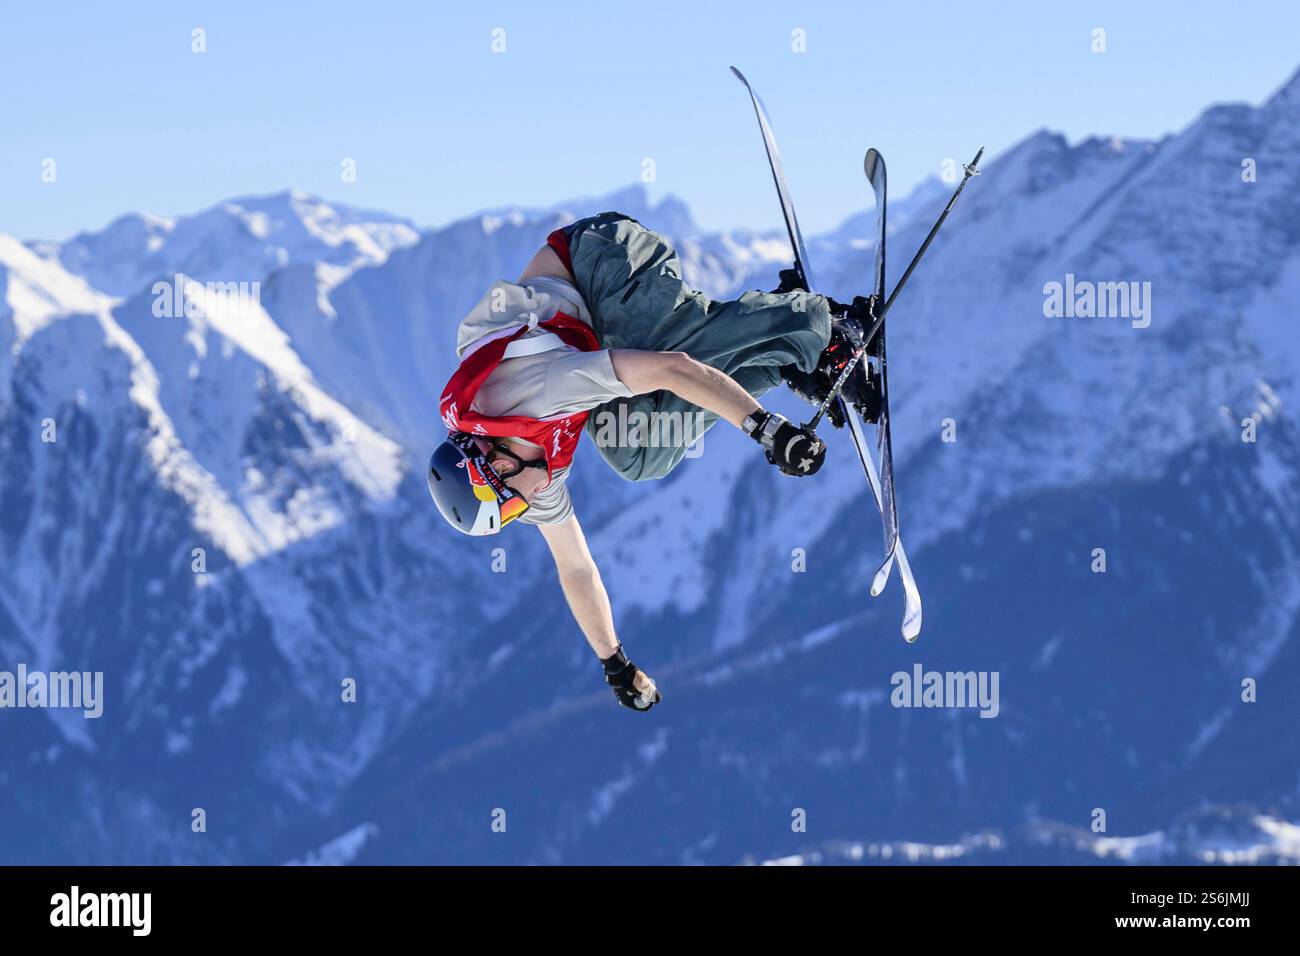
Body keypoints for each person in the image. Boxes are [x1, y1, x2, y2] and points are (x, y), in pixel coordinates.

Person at [428, 212, 878, 712]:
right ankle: (781, 355)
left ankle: (823, 330)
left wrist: (764, 429)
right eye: (513, 514)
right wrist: (614, 663)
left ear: (497, 460)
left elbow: (671, 369)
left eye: (510, 503)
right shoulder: (524, 469)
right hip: (585, 333)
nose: (526, 507)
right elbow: (575, 566)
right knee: (639, 451)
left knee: (667, 348)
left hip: (597, 258)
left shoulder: (541, 393)